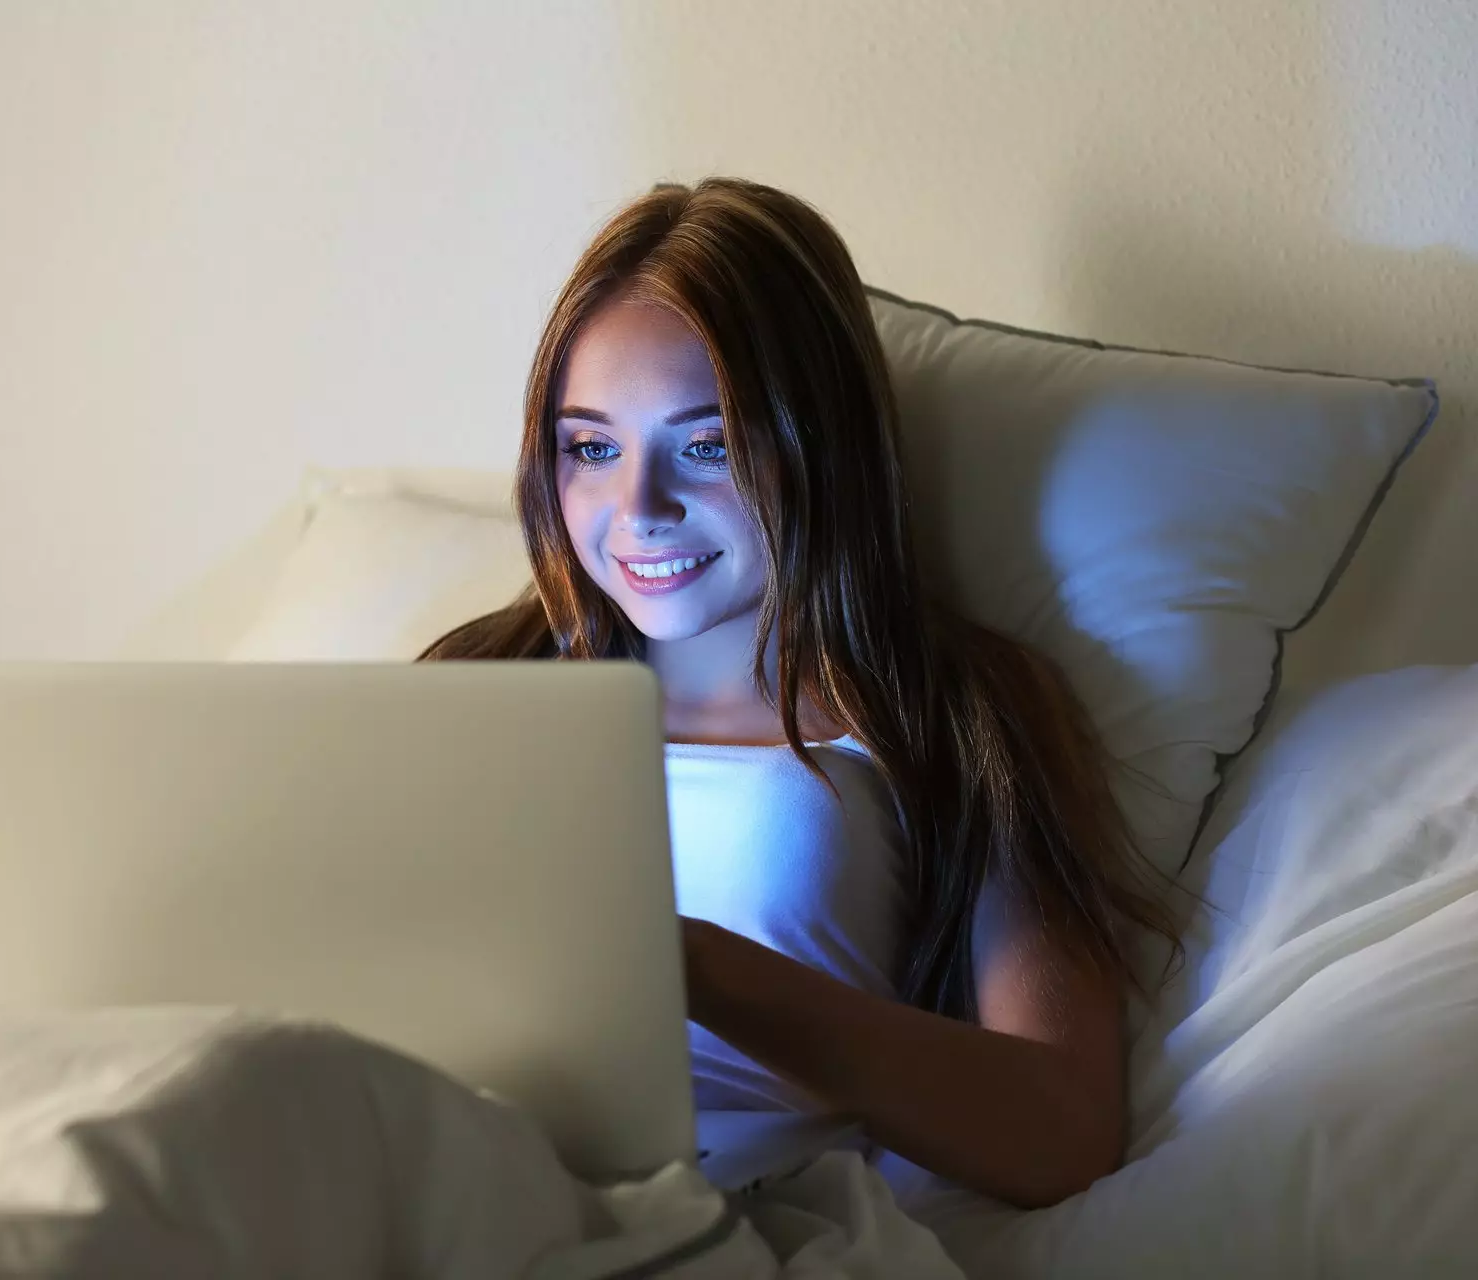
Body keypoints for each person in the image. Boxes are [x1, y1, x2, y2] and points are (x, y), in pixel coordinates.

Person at [421, 177, 1179, 1209]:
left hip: (698, 1216)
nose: (638, 508)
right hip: (420, 1170)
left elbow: (1062, 1127)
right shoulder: (475, 681)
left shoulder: (957, 709)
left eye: (708, 443)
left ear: (818, 445)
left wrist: (688, 963)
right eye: (592, 447)